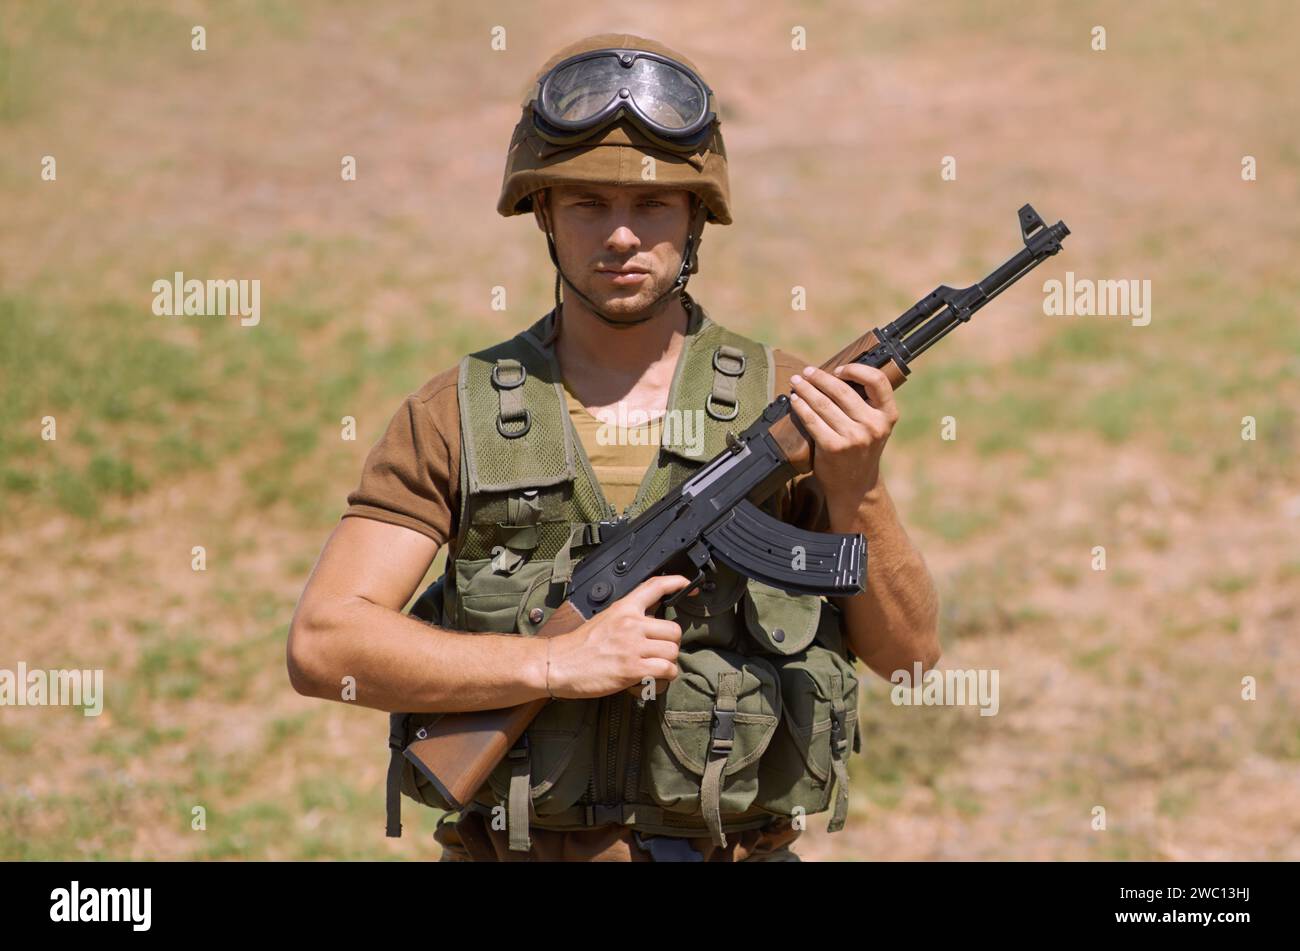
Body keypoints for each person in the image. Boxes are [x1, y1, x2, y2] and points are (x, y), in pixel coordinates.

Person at [287, 33, 940, 862]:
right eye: (589, 205)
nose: (622, 236)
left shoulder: (793, 408)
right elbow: (323, 644)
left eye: (654, 206)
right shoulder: (459, 413)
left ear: (697, 218)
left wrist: (860, 492)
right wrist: (552, 665)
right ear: (545, 216)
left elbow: (912, 661)